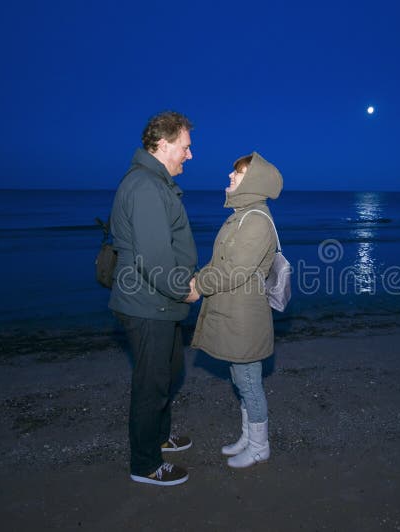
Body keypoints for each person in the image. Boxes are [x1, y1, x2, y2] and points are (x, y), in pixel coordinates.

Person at [108, 111, 199, 486]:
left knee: (169, 372)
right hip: (148, 303)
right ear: (163, 145)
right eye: (185, 147)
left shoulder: (155, 182)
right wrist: (184, 287)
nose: (190, 155)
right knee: (152, 383)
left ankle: (160, 435)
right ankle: (145, 464)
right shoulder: (145, 186)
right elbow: (153, 258)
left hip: (159, 302)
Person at [191, 151, 283, 468]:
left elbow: (234, 270)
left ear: (254, 182)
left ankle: (260, 446)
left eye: (238, 173)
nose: (230, 176)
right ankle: (248, 437)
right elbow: (221, 263)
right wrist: (198, 278)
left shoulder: (255, 220)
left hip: (245, 318)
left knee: (249, 383)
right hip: (234, 313)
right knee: (240, 379)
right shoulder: (243, 215)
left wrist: (198, 286)